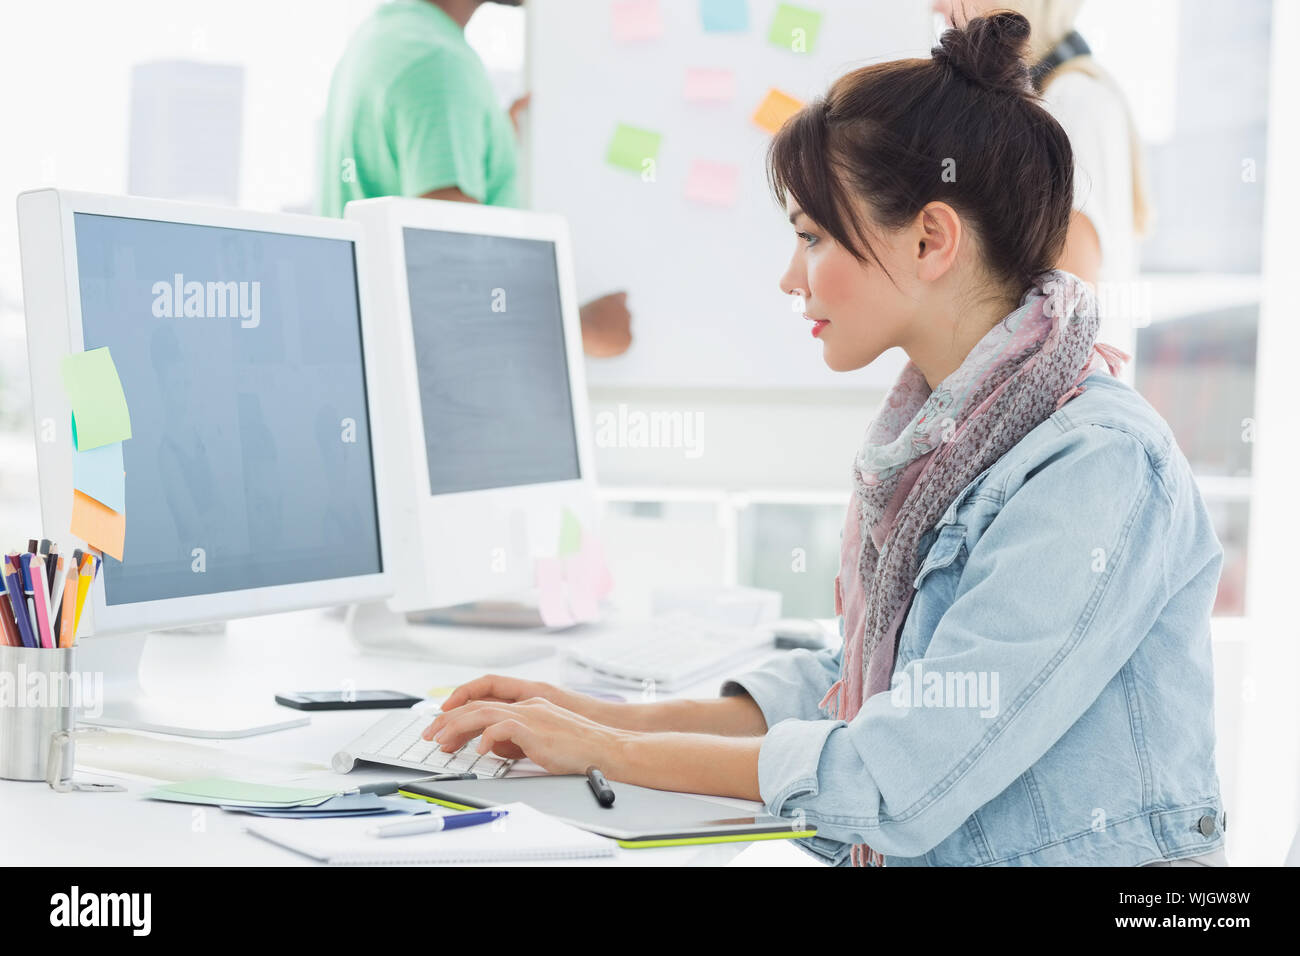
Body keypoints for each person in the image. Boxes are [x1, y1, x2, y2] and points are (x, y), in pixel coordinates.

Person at [416, 13, 1227, 867]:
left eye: (810, 236)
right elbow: (850, 690)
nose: (790, 276)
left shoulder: (1095, 466)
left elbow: (891, 775)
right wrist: (587, 713)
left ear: (929, 239)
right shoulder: (947, 435)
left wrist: (607, 753)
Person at [319, 0, 632, 358]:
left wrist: (488, 150)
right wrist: (577, 328)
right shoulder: (437, 62)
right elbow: (450, 263)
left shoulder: (387, 38)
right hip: (440, 381)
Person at [935, 0, 1151, 369]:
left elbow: (1065, 311)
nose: (937, 6)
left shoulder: (1073, 101)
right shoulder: (1063, 98)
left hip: (1062, 409)